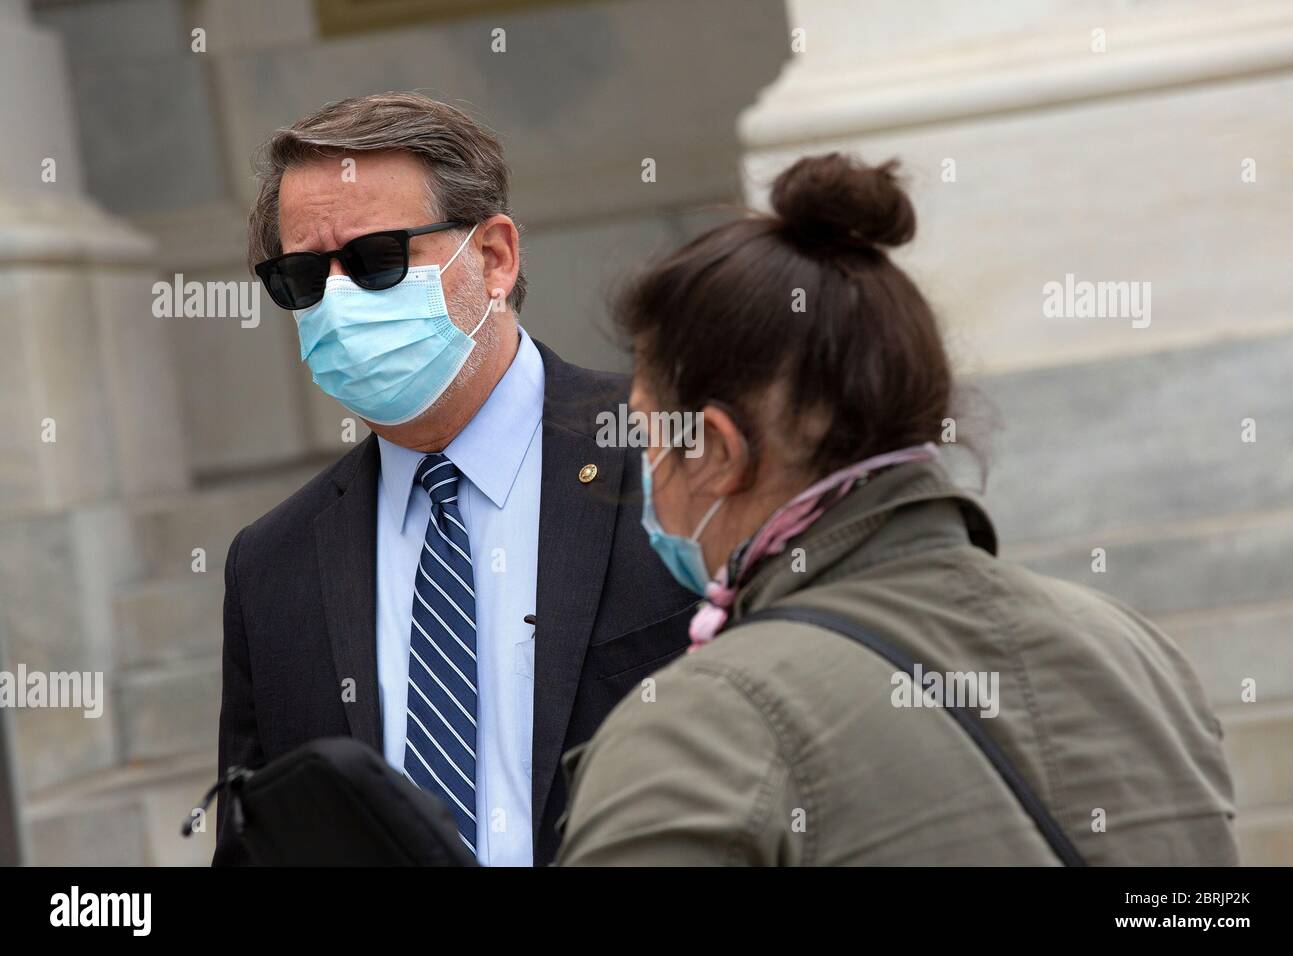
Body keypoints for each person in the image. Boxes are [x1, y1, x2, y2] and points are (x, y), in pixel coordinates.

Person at [555, 153, 1240, 866]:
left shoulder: (698, 730)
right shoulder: (1131, 650)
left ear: (718, 451)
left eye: (646, 431)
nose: (640, 469)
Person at [215, 92, 695, 867]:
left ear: (494, 257)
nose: (337, 300)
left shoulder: (671, 453)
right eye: (303, 277)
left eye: (376, 261)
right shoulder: (272, 566)